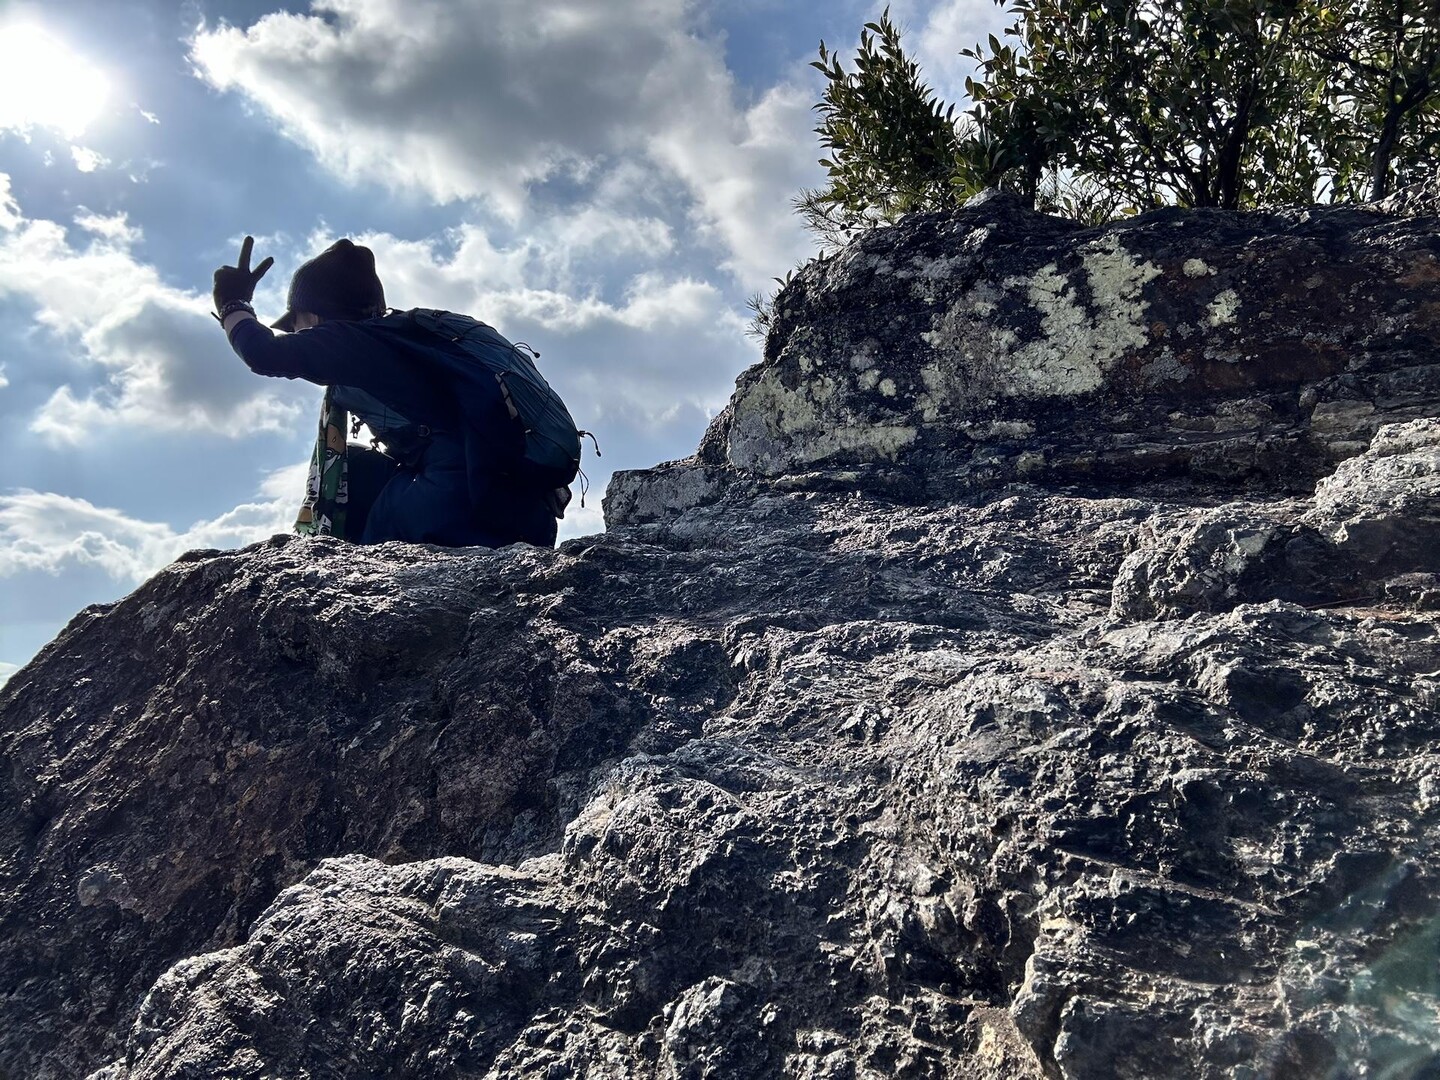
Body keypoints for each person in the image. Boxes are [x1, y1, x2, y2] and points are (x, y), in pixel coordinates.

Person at [213, 235, 560, 549]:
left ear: (313, 316)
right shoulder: (406, 338)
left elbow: (263, 353)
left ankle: (350, 568)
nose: (297, 332)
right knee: (358, 463)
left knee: (350, 471)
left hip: (463, 507)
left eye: (296, 323)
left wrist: (232, 303)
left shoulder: (351, 341)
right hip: (524, 510)